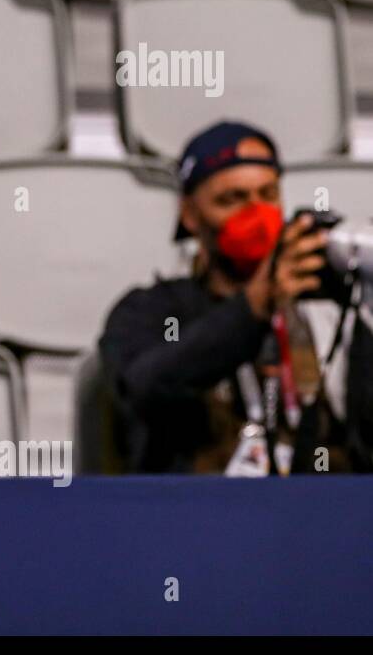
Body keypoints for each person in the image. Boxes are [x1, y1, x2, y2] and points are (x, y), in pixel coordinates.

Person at [98, 121, 373, 475]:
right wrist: (255, 306)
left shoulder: (327, 308)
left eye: (268, 195)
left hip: (322, 511)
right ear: (190, 215)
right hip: (198, 514)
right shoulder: (152, 310)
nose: (256, 214)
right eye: (232, 199)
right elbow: (144, 388)